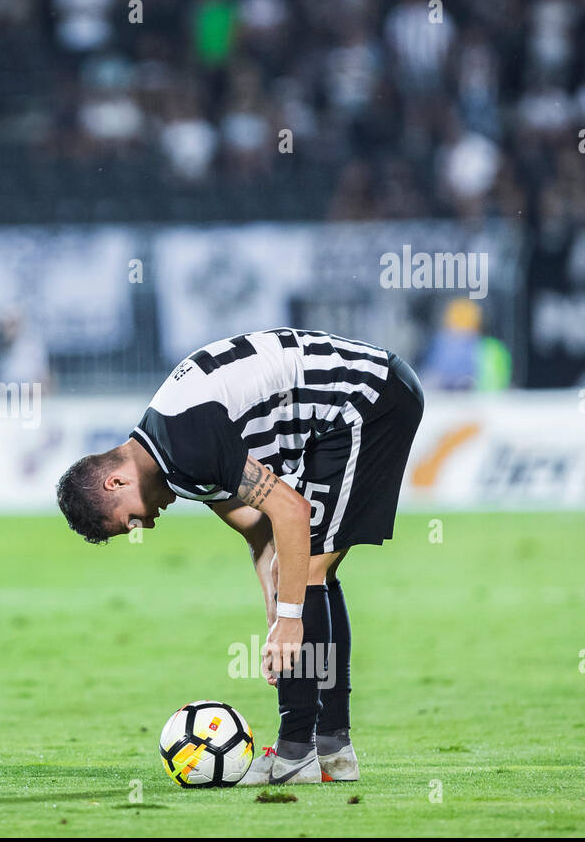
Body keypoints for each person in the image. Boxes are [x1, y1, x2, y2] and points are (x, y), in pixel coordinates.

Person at [56, 328, 424, 785]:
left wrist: (292, 621)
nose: (145, 525)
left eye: (130, 520)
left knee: (309, 567)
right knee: (307, 572)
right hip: (350, 408)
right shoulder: (174, 461)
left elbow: (291, 511)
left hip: (367, 399)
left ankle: (296, 757)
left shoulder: (187, 444)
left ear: (116, 483)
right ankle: (331, 750)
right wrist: (276, 608)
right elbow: (261, 533)